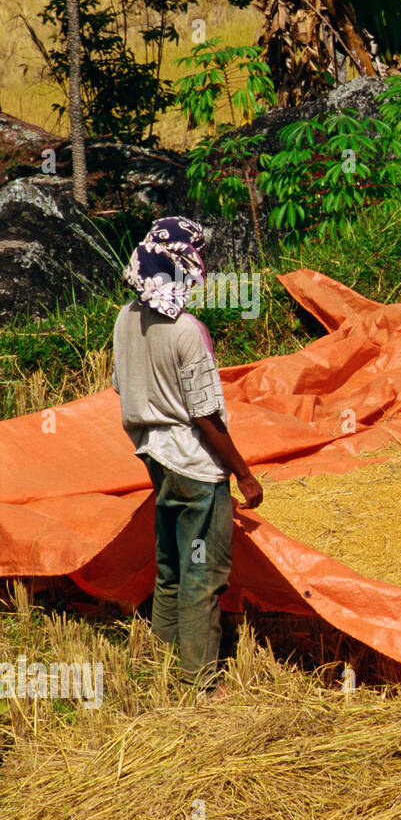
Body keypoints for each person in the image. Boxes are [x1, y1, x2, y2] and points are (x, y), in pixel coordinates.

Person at [110, 216, 262, 699]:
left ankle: (160, 656)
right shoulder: (186, 332)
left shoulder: (125, 317)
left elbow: (123, 386)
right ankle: (200, 682)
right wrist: (244, 474)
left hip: (153, 455)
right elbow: (206, 417)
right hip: (194, 465)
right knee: (204, 573)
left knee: (172, 561)